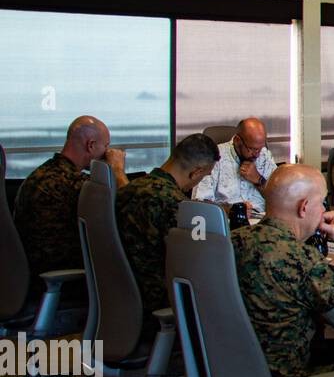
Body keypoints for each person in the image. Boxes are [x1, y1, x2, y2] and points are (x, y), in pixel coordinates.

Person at [231, 165, 334, 377]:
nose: (324, 210)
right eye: (322, 202)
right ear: (304, 207)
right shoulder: (300, 260)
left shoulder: (233, 241)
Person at [116, 133, 219, 334]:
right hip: (157, 299)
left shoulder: (128, 189)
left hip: (122, 296)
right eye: (204, 176)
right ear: (196, 172)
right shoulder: (177, 207)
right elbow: (197, 264)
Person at [14, 115, 128, 283]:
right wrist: (117, 170)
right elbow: (132, 206)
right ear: (91, 145)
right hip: (61, 277)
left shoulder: (40, 175)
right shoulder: (76, 185)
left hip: (30, 274)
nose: (107, 152)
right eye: (106, 146)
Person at [192, 117, 277, 213]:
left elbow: (280, 198)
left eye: (260, 148)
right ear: (237, 140)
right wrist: (232, 210)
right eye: (252, 149)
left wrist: (259, 180)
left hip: (262, 220)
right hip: (229, 222)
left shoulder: (264, 155)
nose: (257, 154)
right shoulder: (214, 158)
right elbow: (200, 203)